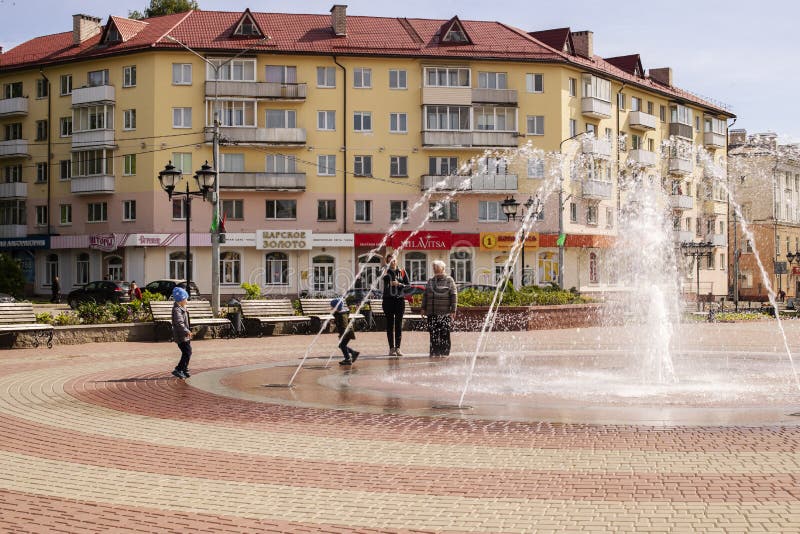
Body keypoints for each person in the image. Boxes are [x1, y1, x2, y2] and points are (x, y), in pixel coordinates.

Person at [421, 260, 457, 357]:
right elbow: (425, 295)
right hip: (431, 312)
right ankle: (434, 352)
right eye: (434, 267)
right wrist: (423, 308)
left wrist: (453, 310)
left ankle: (445, 352)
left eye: (436, 267)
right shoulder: (430, 281)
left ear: (442, 268)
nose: (434, 269)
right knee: (433, 333)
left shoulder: (449, 280)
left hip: (444, 313)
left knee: (445, 333)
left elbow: (454, 295)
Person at [381, 254, 409, 356]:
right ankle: (391, 348)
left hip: (399, 300)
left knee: (398, 324)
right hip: (388, 300)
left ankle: (398, 348)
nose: (392, 262)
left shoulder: (402, 272)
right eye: (389, 261)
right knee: (389, 325)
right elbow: (382, 278)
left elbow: (408, 285)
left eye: (393, 260)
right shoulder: (385, 271)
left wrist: (399, 284)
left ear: (396, 261)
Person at [171, 286, 192, 379]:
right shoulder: (177, 310)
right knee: (187, 352)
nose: (187, 300)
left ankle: (184, 368)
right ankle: (179, 369)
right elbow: (179, 323)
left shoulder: (181, 308)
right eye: (186, 298)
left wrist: (185, 309)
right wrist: (186, 331)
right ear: (181, 299)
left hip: (185, 335)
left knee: (187, 352)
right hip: (181, 335)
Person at [331, 297, 359, 366]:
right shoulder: (341, 313)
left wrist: (342, 335)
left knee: (342, 345)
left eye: (332, 307)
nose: (331, 308)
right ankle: (353, 353)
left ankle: (348, 359)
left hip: (346, 332)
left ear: (336, 307)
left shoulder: (340, 315)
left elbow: (344, 325)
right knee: (341, 345)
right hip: (347, 332)